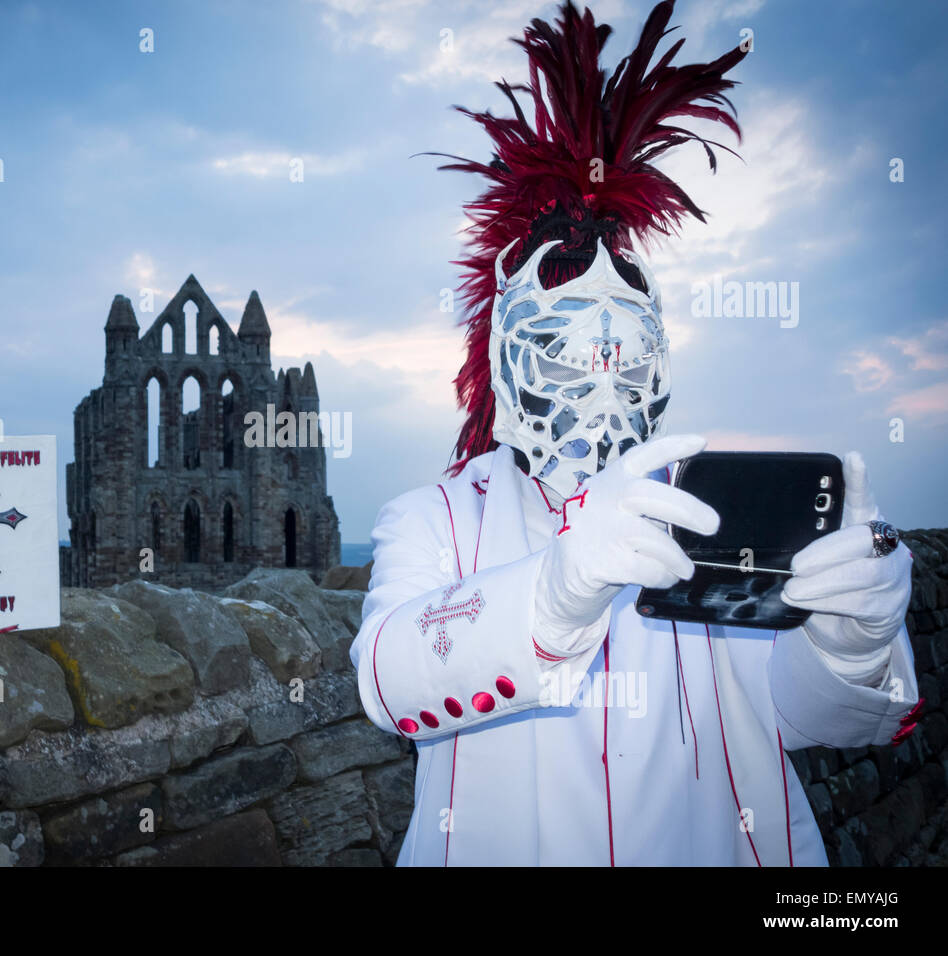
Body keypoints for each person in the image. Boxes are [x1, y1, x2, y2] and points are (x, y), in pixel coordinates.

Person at [350, 0, 921, 866]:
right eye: (569, 353)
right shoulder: (434, 520)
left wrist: (853, 641)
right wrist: (553, 595)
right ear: (505, 376)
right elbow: (390, 679)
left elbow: (812, 717)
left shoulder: (712, 513)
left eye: (624, 355)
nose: (603, 384)